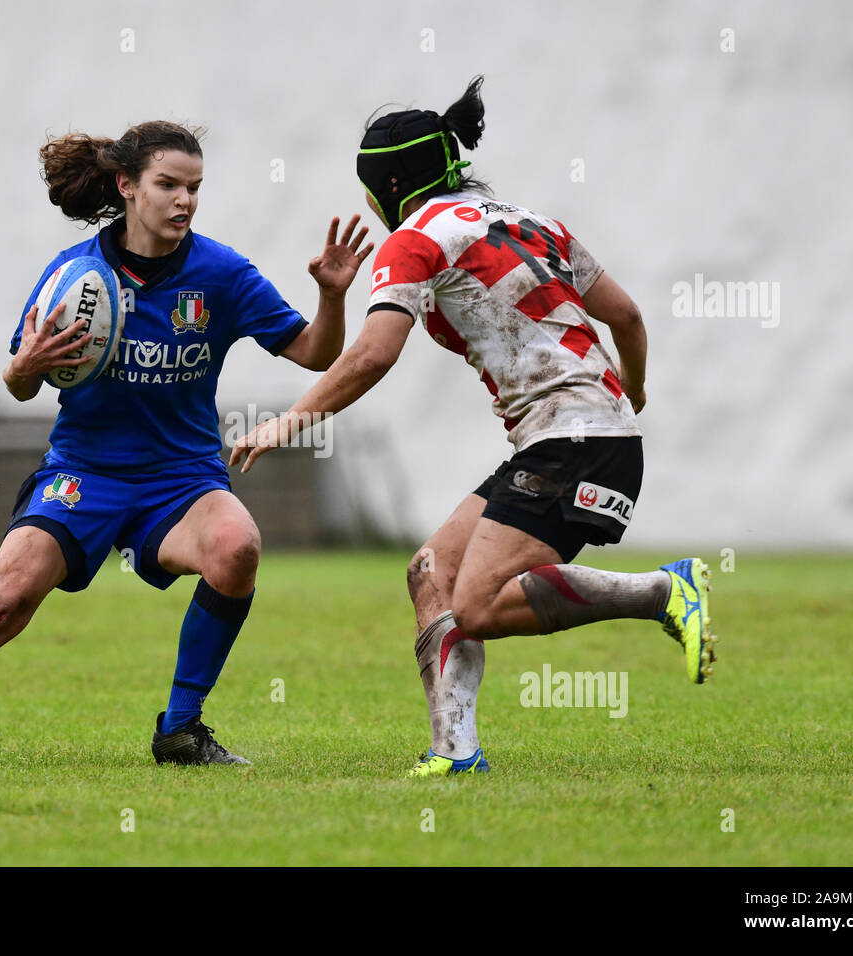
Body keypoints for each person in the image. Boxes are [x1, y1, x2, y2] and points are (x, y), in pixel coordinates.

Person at [0, 120, 372, 769]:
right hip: (84, 475)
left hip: (181, 480)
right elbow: (21, 385)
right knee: (0, 606)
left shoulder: (222, 274)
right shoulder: (74, 278)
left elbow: (314, 354)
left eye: (194, 187)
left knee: (237, 545)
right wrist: (22, 370)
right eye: (168, 185)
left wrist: (332, 297)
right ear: (127, 185)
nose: (184, 200)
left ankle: (181, 731)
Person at [230, 78, 718, 778]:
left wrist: (290, 422)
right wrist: (632, 391)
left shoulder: (414, 239)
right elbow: (628, 317)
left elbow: (372, 354)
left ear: (390, 183)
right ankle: (455, 753)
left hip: (575, 443)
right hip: (582, 436)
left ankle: (665, 593)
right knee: (432, 570)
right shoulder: (534, 222)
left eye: (369, 188)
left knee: (478, 604)